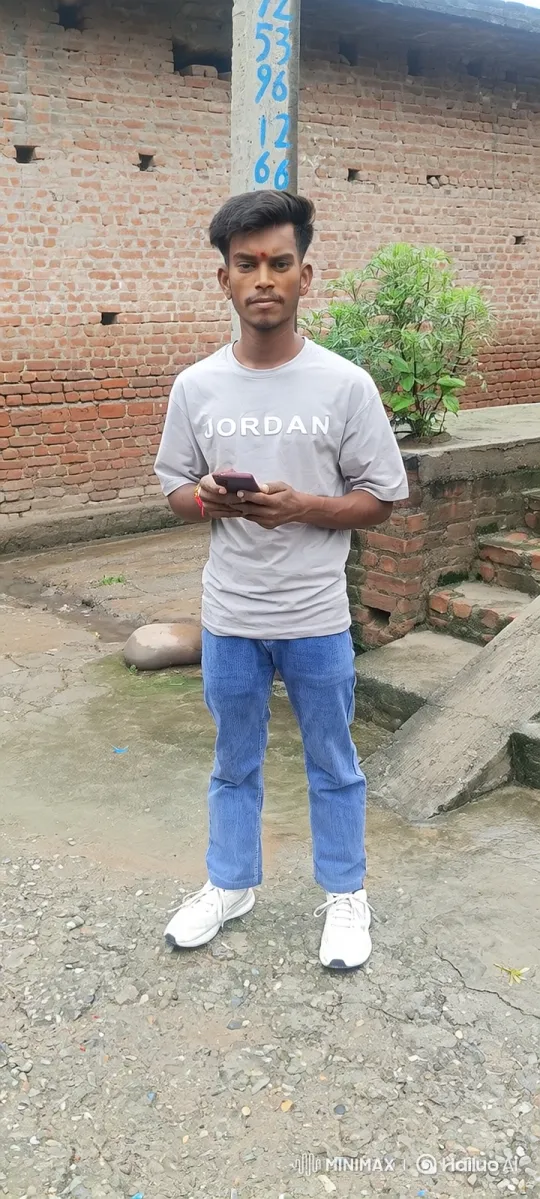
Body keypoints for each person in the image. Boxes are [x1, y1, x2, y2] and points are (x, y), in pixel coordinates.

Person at [154, 190, 408, 970]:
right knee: (234, 758)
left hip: (316, 615)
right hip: (230, 613)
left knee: (334, 760)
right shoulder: (196, 386)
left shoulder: (344, 384)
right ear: (223, 280)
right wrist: (208, 497)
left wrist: (304, 506)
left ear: (306, 276)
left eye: (279, 263)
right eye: (246, 265)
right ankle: (230, 884)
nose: (263, 278)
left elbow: (381, 499)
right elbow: (172, 488)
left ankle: (344, 894)